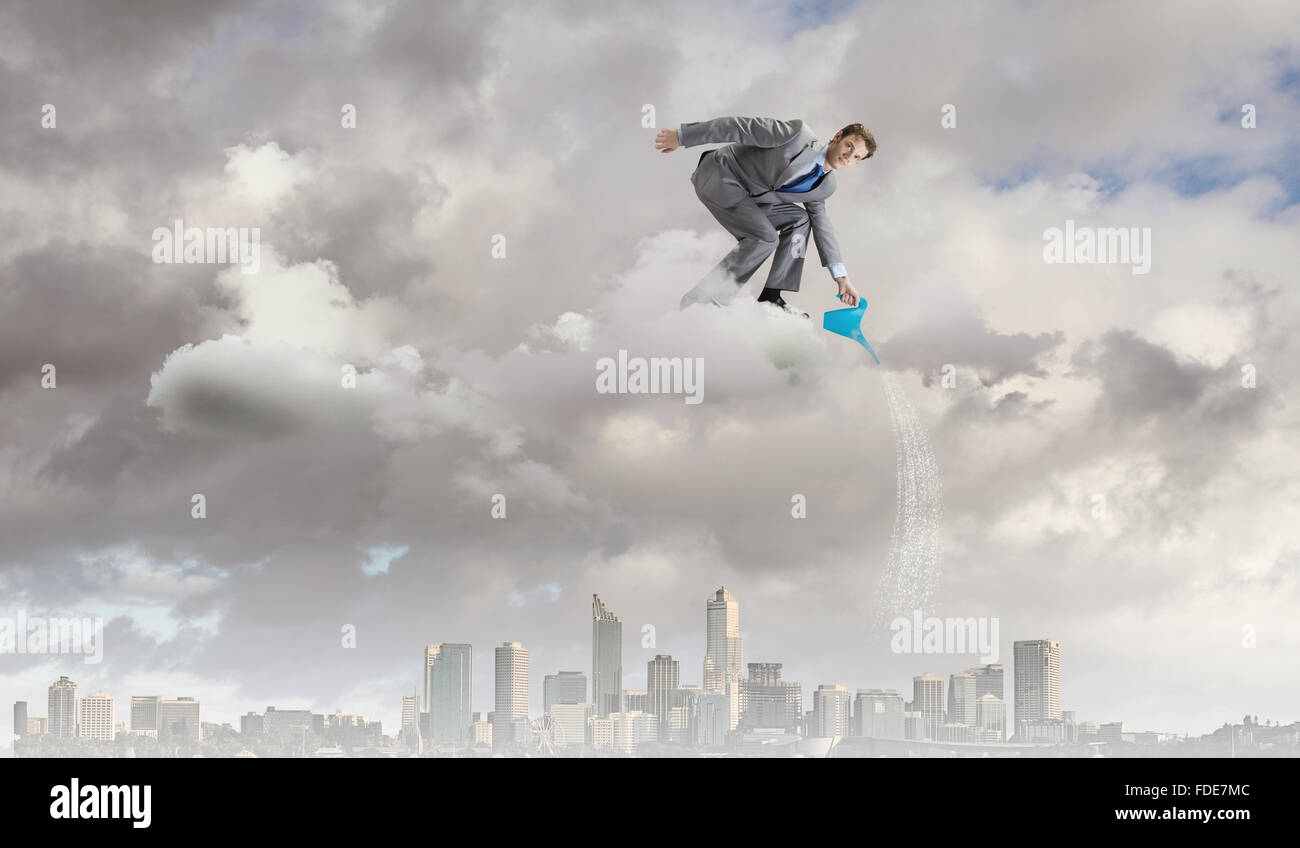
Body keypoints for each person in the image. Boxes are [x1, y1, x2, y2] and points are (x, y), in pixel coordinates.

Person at [655, 116, 874, 317]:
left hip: (752, 200)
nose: (849, 156)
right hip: (721, 176)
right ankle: (701, 300)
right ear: (838, 136)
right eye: (849, 146)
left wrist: (842, 278)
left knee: (802, 220)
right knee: (766, 238)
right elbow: (738, 127)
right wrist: (682, 137)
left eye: (856, 157)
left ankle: (770, 297)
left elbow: (823, 226)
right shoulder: (797, 135)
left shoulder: (826, 186)